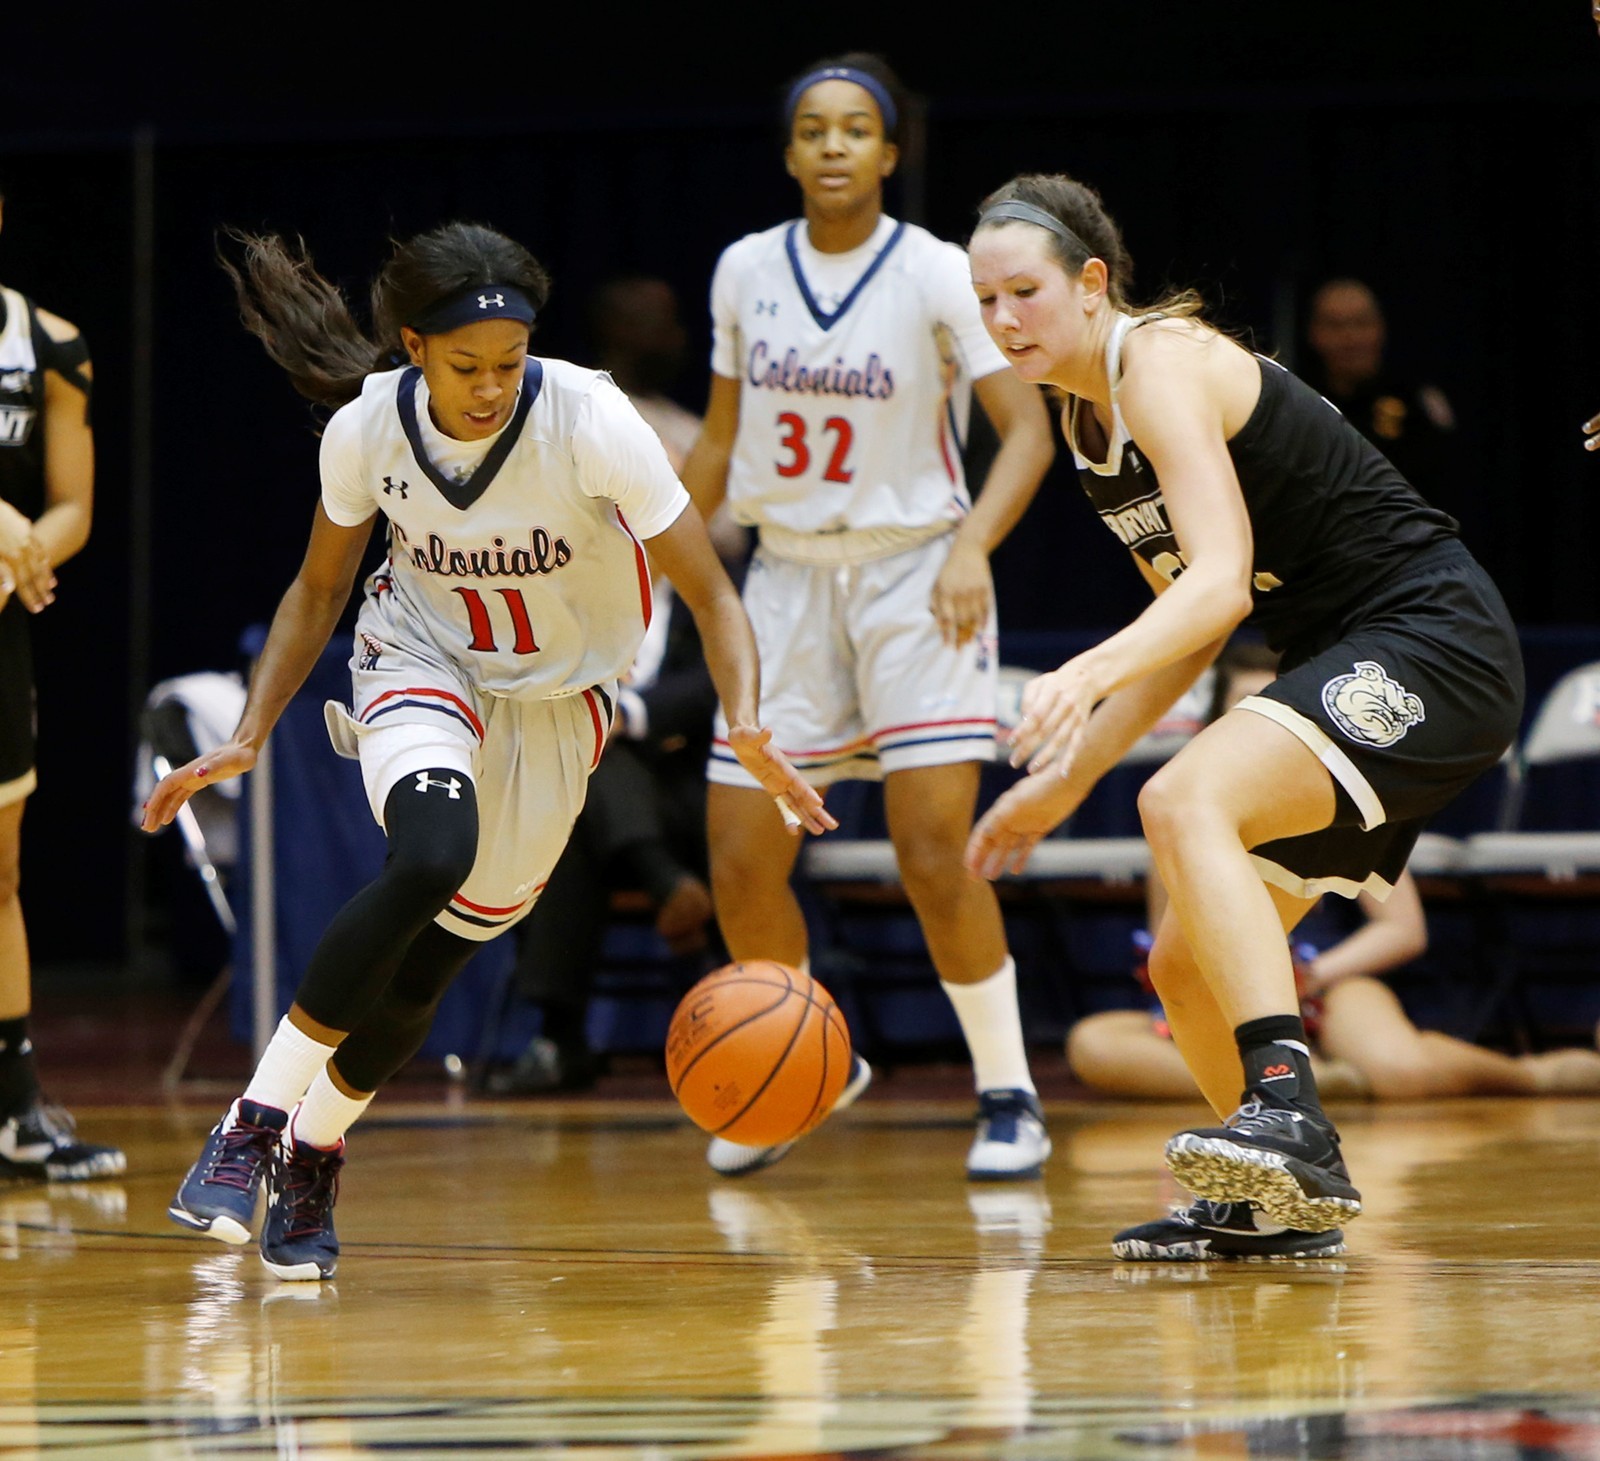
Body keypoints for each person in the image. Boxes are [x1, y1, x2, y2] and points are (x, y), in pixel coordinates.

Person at [141, 222, 832, 1281]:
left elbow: (713, 593)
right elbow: (320, 589)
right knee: (430, 853)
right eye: (466, 366)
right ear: (413, 346)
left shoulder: (591, 418)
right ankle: (251, 1126)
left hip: (560, 703)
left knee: (433, 962)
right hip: (421, 657)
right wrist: (247, 734)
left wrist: (743, 720)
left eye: (509, 364)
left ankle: (316, 1150)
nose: (491, 386)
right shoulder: (368, 431)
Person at [964, 173, 1524, 1261]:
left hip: (1431, 638)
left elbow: (1216, 587)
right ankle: (1276, 1198)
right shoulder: (1082, 416)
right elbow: (1195, 634)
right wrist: (1065, 780)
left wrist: (1085, 671)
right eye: (981, 301)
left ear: (1090, 282)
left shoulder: (1160, 364)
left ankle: (1289, 1114)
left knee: (1182, 798)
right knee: (1182, 967)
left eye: (1020, 292)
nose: (1000, 321)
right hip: (1349, 654)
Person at [680, 53, 1057, 1180]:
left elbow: (1025, 431)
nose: (833, 145)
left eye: (855, 129)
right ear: (790, 152)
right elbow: (713, 439)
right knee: (741, 855)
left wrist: (971, 550)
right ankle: (805, 1069)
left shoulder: (939, 273)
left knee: (933, 850)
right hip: (785, 580)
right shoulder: (745, 269)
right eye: (812, 129)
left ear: (889, 152)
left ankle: (1008, 1094)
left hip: (913, 577)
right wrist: (652, 560)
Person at [1067, 645, 1600, 1135]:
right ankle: (1322, 1082)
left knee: (1400, 1071)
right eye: (1246, 707)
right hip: (1225, 995)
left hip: (1328, 983)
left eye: (1273, 705)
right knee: (1094, 1045)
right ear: (1215, 724)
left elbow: (1403, 930)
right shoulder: (1180, 806)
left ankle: (1533, 1076)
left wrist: (1314, 975)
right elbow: (1170, 952)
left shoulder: (1339, 790)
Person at [489, 278, 727, 1095]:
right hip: (605, 784)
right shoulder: (572, 587)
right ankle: (668, 891)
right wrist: (611, 719)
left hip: (689, 782)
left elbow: (713, 687)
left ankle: (557, 1038)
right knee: (580, 790)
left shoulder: (702, 591)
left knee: (590, 776)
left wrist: (631, 713)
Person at [0, 189, 124, 1183]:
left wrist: (26, 550)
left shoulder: (50, 343)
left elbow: (75, 502)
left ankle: (14, 1111)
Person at [1302, 279, 1458, 506]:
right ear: (1313, 333)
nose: (1350, 338)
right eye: (1335, 325)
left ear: (1381, 327)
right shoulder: (1301, 401)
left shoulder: (1416, 401)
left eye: (1361, 323)